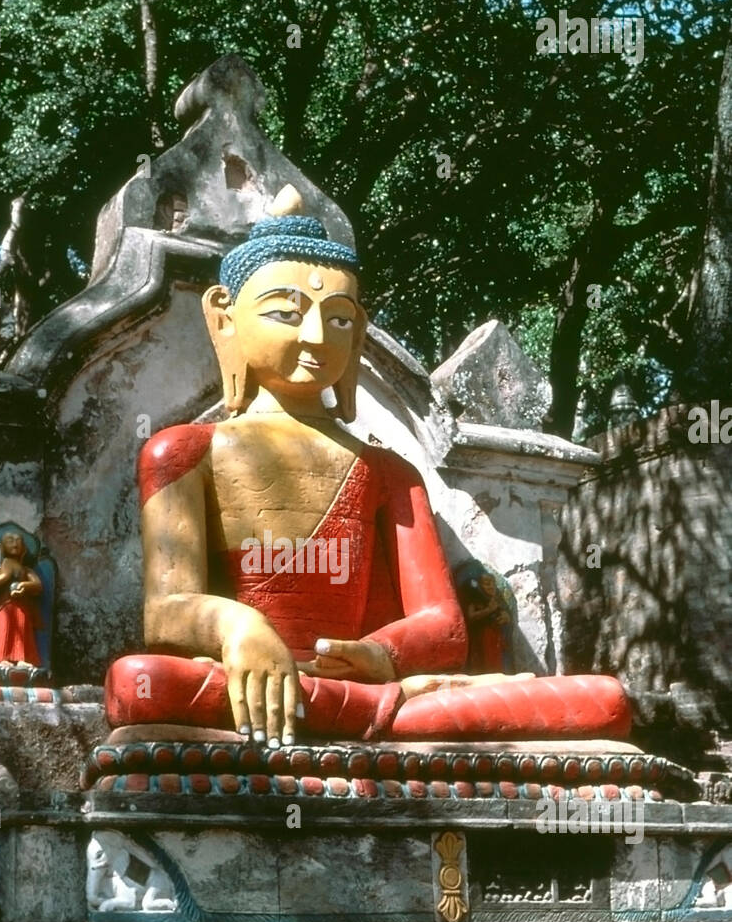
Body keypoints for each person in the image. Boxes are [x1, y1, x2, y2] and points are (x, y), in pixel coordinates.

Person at [105, 189, 631, 747]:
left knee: (605, 701)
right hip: (241, 681)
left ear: (358, 332)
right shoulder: (183, 451)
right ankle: (342, 719)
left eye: (337, 320)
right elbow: (165, 612)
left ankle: (349, 716)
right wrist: (238, 627)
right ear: (225, 318)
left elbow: (444, 626)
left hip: (364, 693)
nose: (315, 337)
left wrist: (380, 655)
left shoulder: (390, 472)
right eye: (285, 312)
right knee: (139, 683)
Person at [0, 531, 43, 668]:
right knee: (3, 630)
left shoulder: (26, 570)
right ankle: (2, 658)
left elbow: (37, 585)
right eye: (10, 540)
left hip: (21, 608)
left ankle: (22, 659)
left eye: (19, 540)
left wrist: (23, 585)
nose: (15, 543)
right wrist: (6, 575)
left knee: (22, 631)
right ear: (0, 547)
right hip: (3, 609)